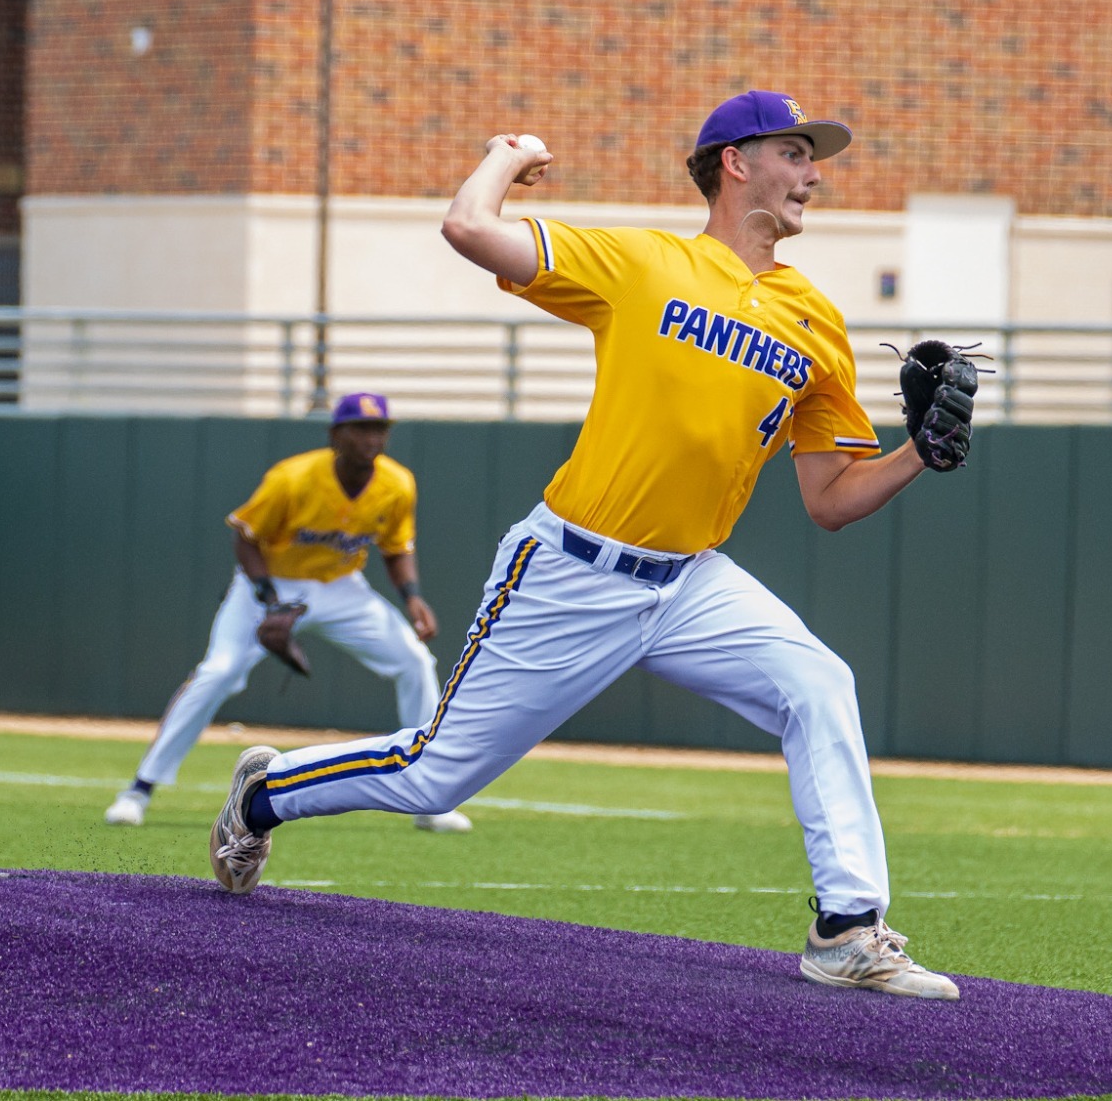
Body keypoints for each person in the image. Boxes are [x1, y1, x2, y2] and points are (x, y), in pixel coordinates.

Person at [209, 91, 964, 1000]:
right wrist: (507, 151)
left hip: (691, 582)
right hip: (571, 570)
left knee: (819, 681)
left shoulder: (815, 320)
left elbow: (831, 501)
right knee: (435, 776)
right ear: (735, 161)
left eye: (816, 157)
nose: (814, 172)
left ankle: (847, 928)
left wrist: (917, 453)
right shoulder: (643, 261)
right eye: (796, 152)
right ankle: (265, 793)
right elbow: (468, 227)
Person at [104, 392, 470, 834]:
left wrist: (411, 596)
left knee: (414, 660)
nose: (371, 438)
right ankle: (138, 790)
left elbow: (396, 549)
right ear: (336, 434)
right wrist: (269, 598)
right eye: (361, 428)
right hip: (269, 583)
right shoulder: (292, 478)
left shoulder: (397, 483)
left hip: (341, 588)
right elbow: (246, 539)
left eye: (379, 429)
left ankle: (428, 799)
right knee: (217, 672)